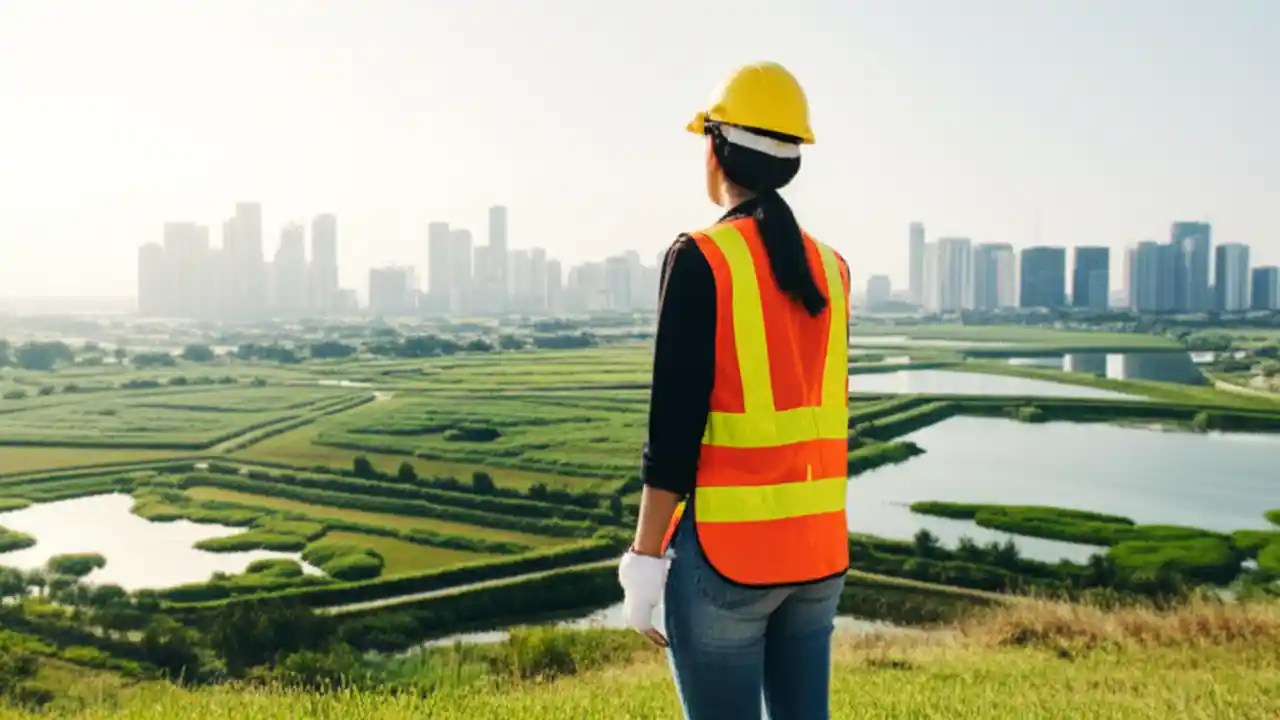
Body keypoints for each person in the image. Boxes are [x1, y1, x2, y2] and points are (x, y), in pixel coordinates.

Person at [618, 62, 851, 720]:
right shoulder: (833, 270)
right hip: (817, 556)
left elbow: (673, 435)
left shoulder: (702, 258)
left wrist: (643, 558)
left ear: (716, 149)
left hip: (729, 560)